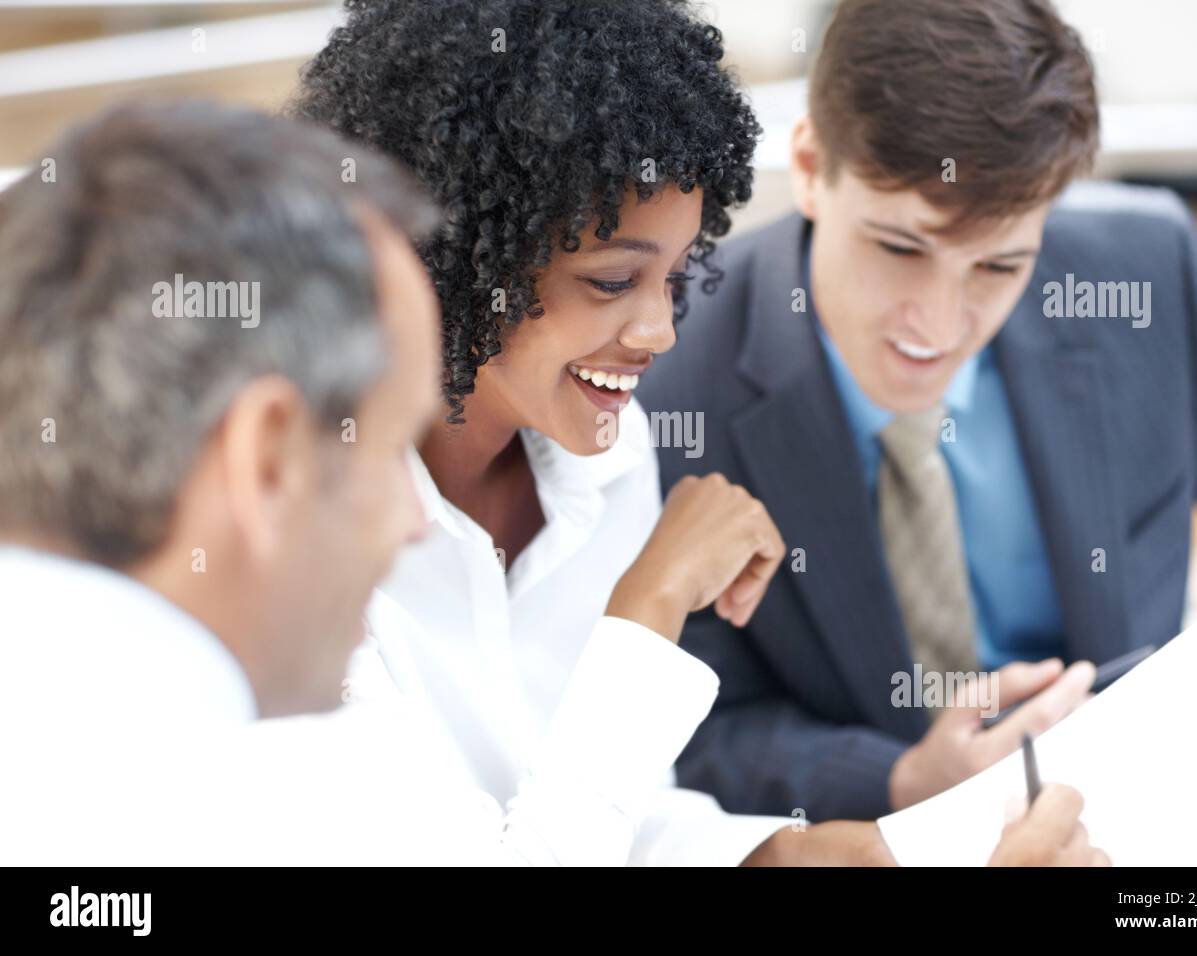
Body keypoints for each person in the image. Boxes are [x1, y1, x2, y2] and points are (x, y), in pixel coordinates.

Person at [293, 0, 1107, 865]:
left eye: (677, 277)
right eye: (612, 282)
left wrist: (805, 854)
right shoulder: (309, 543)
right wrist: (647, 608)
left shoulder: (605, 462)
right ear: (455, 257)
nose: (660, 333)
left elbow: (622, 825)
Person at [0, 99, 799, 866]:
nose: (419, 519)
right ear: (265, 458)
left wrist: (762, 853)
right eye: (387, 453)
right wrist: (647, 613)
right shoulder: (243, 774)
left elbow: (605, 809)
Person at [639, 0, 1197, 822]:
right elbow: (686, 730)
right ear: (810, 166)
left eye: (998, 266)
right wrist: (902, 780)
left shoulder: (1153, 275)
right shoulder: (663, 366)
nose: (940, 326)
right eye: (900, 248)